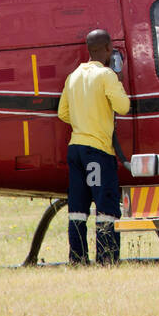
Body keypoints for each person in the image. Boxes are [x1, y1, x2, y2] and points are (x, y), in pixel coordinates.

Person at [57, 28, 130, 265]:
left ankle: (77, 259)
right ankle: (107, 258)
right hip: (98, 151)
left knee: (77, 209)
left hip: (75, 149)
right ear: (108, 49)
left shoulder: (73, 76)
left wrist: (84, 119)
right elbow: (123, 107)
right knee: (106, 205)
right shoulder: (107, 75)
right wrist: (117, 82)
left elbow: (62, 113)